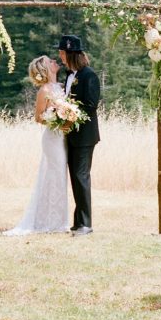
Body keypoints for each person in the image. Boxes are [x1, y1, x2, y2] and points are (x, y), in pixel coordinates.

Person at [3, 55, 69, 235]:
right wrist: (56, 118)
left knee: (59, 177)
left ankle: (57, 220)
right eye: (50, 61)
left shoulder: (60, 87)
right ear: (46, 69)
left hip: (63, 137)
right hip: (52, 139)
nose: (54, 61)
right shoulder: (44, 90)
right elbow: (38, 117)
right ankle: (50, 223)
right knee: (54, 177)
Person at [58, 34, 100, 235]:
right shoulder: (68, 75)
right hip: (70, 135)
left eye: (62, 53)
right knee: (75, 177)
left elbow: (91, 105)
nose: (60, 56)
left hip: (85, 136)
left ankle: (86, 223)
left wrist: (71, 116)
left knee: (81, 176)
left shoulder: (89, 75)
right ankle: (78, 221)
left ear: (71, 54)